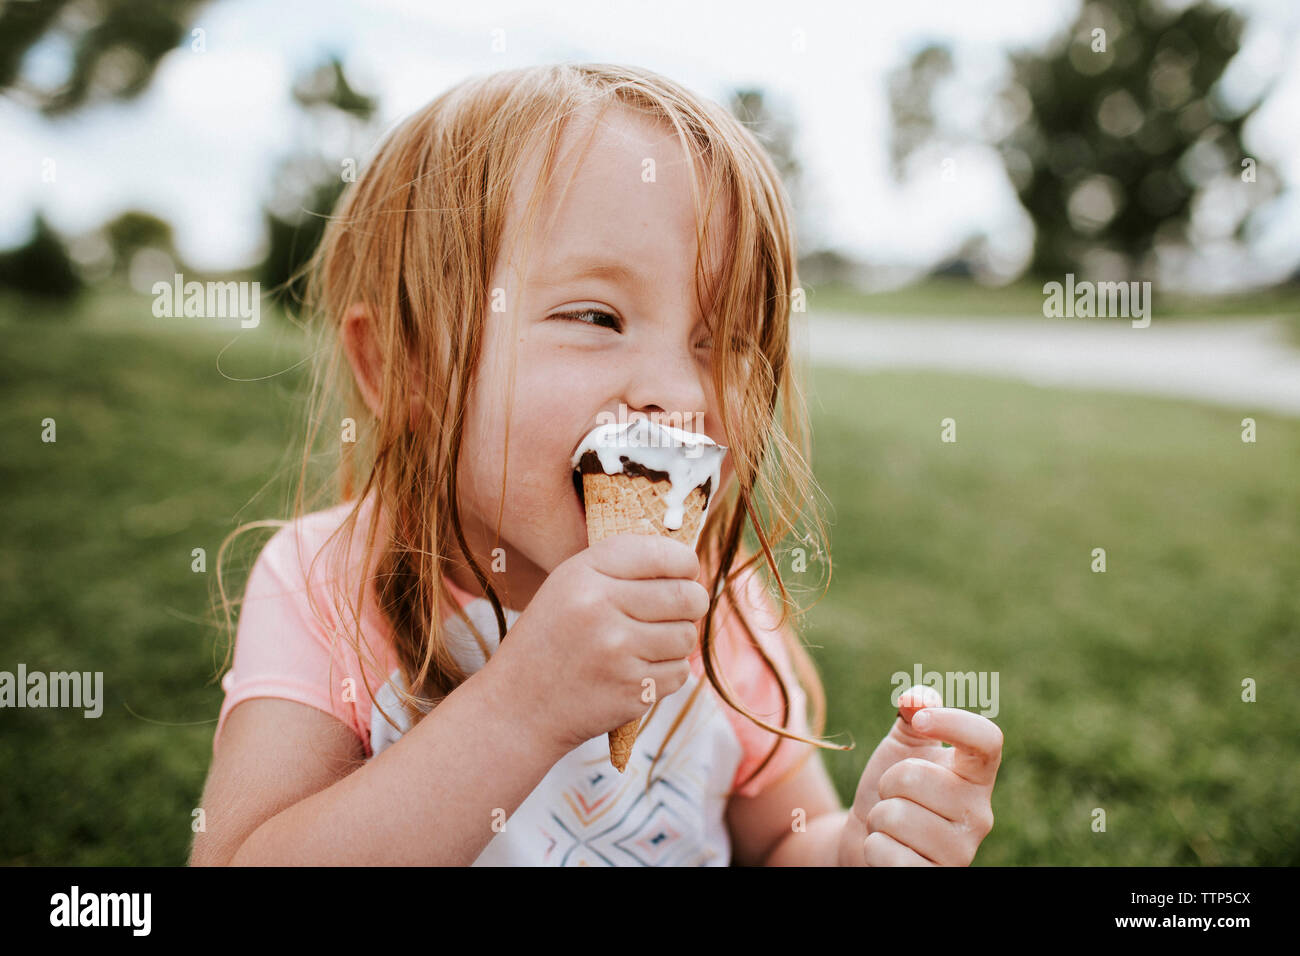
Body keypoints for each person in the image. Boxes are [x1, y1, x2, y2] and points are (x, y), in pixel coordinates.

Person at [190, 62, 1001, 866]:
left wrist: (859, 848)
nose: (677, 392)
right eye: (597, 316)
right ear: (406, 370)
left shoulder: (720, 601)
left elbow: (782, 844)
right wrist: (520, 710)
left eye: (722, 340)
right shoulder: (325, 585)